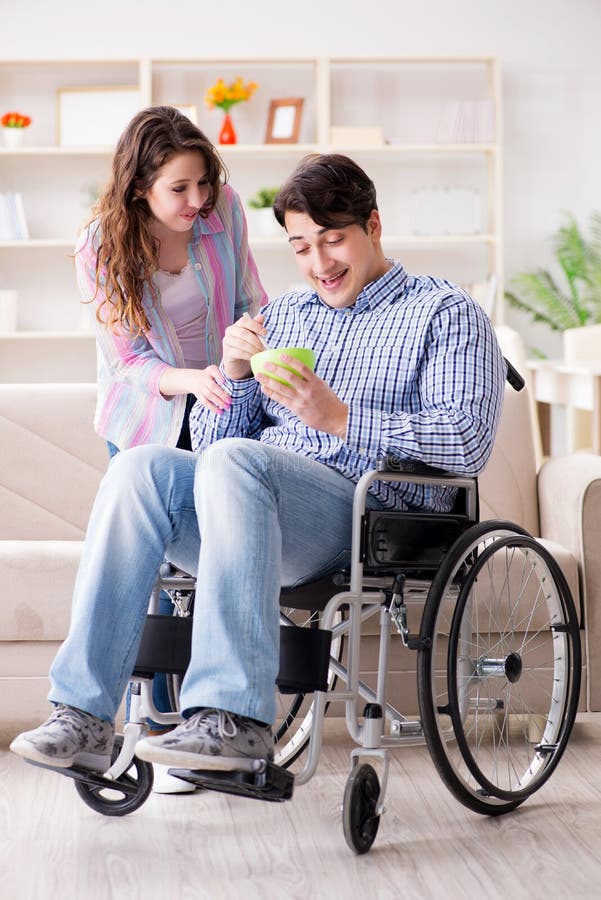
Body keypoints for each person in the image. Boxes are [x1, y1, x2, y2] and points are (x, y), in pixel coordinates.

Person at [10, 153, 506, 775]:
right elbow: (213, 447)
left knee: (240, 463)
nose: (319, 264)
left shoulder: (445, 311)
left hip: (365, 516)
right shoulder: (288, 315)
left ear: (374, 226)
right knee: (139, 469)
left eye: (333, 240)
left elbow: (467, 440)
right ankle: (83, 715)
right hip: (251, 506)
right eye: (301, 247)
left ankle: (233, 719)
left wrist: (339, 418)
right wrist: (236, 373)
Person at [74, 105, 266, 790]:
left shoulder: (223, 212)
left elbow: (249, 298)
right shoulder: (100, 245)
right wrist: (191, 379)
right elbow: (127, 360)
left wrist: (250, 357)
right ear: (139, 188)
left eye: (203, 183)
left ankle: (202, 724)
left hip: (222, 399)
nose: (197, 200)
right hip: (147, 413)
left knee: (217, 557)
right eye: (179, 188)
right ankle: (152, 724)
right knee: (155, 568)